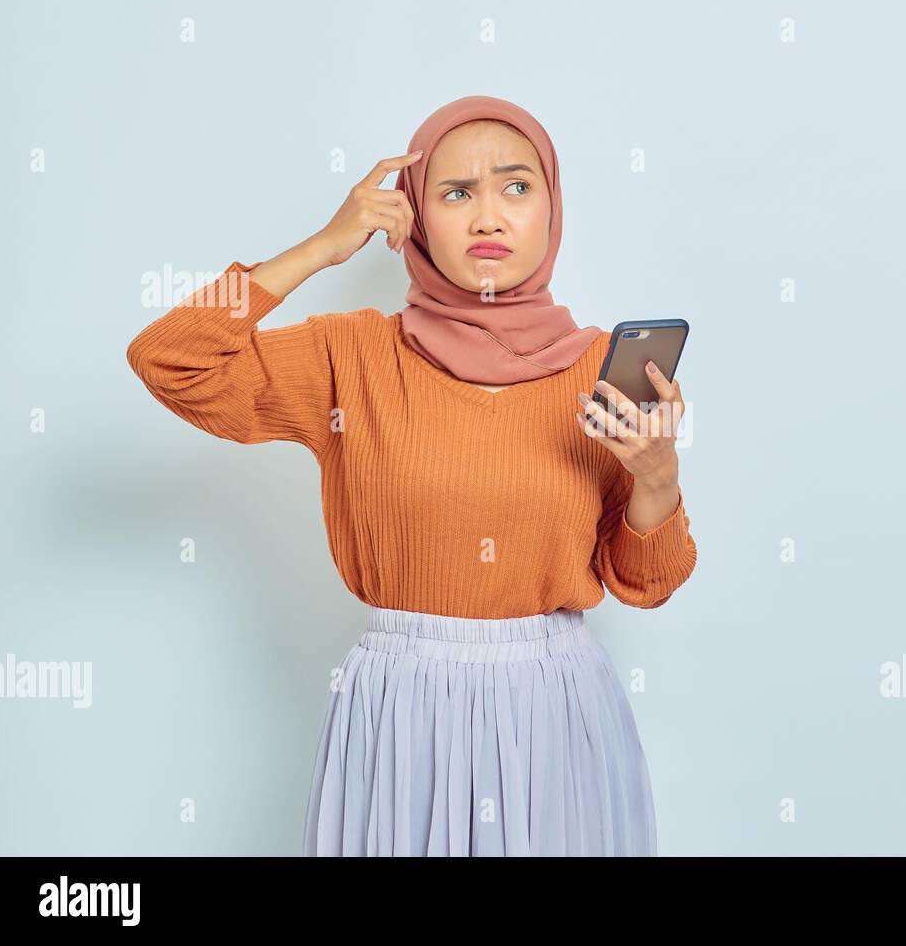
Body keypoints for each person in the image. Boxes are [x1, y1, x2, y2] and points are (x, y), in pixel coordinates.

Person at [125, 95, 697, 856]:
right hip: (402, 707)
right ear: (414, 218)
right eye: (456, 193)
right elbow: (169, 356)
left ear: (553, 208)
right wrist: (319, 248)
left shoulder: (601, 370)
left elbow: (644, 582)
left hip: (556, 709)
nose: (488, 217)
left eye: (517, 187)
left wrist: (658, 478)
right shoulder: (351, 357)